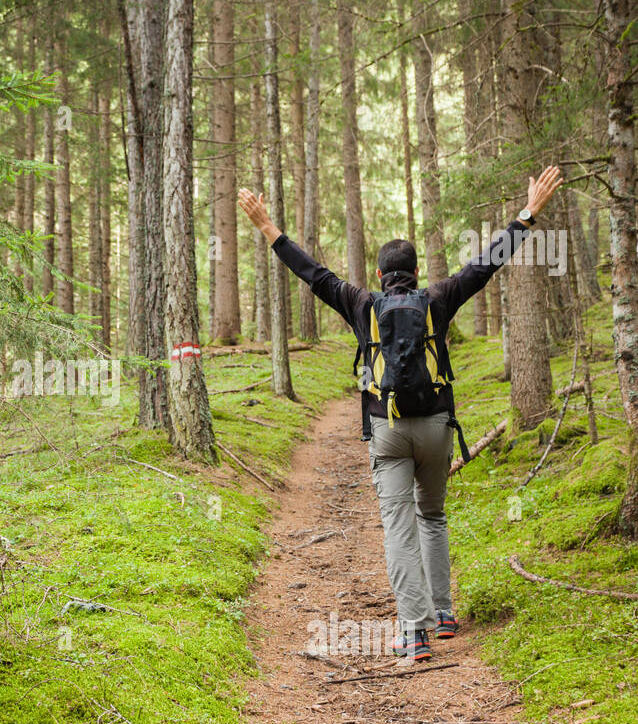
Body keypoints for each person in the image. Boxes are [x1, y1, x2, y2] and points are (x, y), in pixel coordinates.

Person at [237, 166, 564, 661]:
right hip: (436, 428)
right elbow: (487, 263)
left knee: (398, 528)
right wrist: (528, 213)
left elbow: (311, 273)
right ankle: (444, 613)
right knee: (432, 517)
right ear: (416, 271)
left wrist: (267, 226)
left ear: (379, 275)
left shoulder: (360, 302)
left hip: (387, 429)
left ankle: (414, 631)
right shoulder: (439, 298)